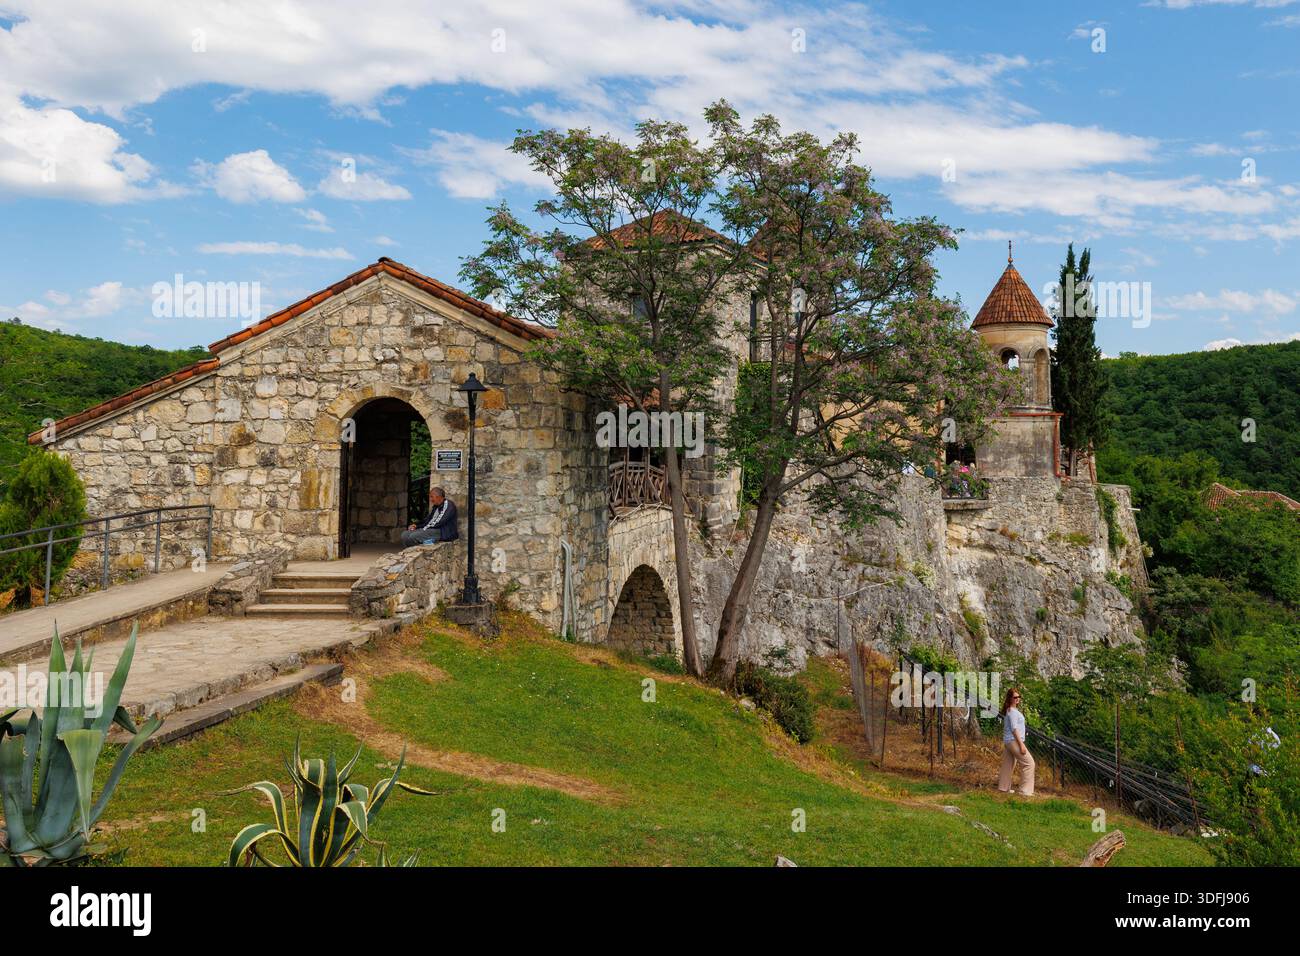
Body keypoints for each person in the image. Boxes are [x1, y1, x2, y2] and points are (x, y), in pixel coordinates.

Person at [997, 687, 1035, 796]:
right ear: (1010, 698)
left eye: (1019, 697)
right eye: (1015, 697)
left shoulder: (1010, 710)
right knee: (1029, 763)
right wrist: (1021, 745)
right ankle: (1025, 791)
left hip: (1008, 741)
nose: (1017, 699)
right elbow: (1014, 729)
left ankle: (1003, 788)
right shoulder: (1012, 712)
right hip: (1014, 741)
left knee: (1008, 764)